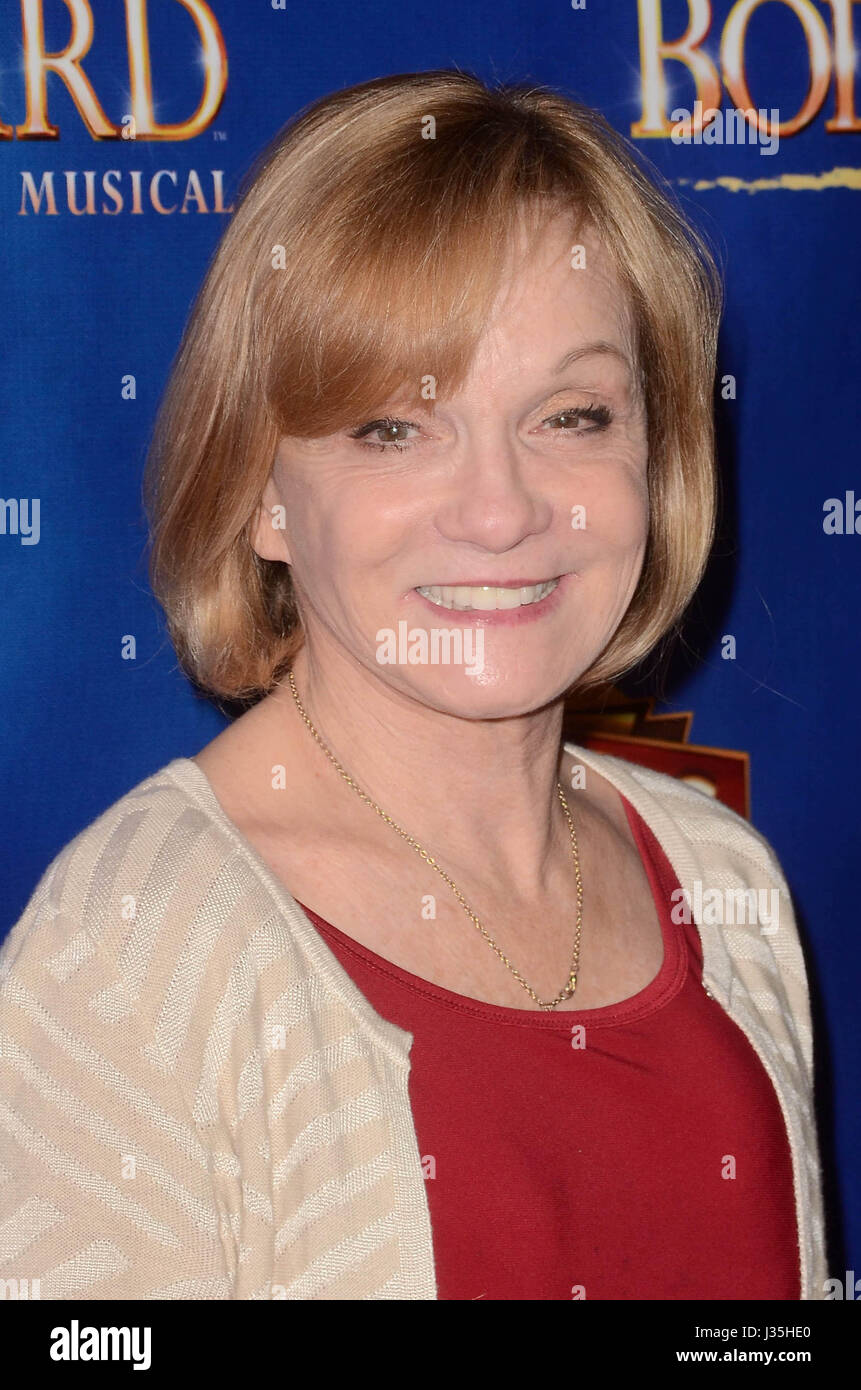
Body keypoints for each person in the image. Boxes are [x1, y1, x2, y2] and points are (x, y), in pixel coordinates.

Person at [0, 69, 825, 1300]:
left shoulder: (725, 879)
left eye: (573, 414)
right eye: (395, 427)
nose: (500, 511)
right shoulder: (131, 955)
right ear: (260, 491)